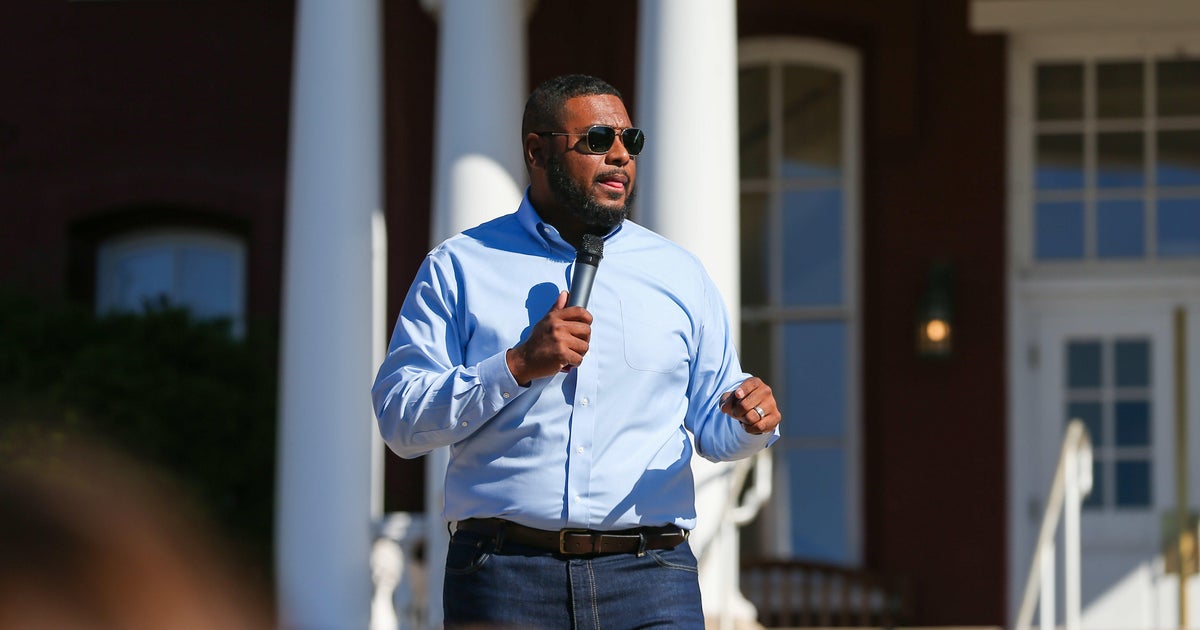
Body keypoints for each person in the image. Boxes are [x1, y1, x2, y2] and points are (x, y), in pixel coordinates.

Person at [372, 74, 782, 629]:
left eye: (630, 142)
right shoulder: (461, 266)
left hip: (651, 577)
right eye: (596, 140)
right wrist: (515, 366)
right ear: (536, 151)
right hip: (504, 575)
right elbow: (400, 421)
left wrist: (747, 420)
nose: (619, 157)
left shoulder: (679, 275)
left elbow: (715, 425)